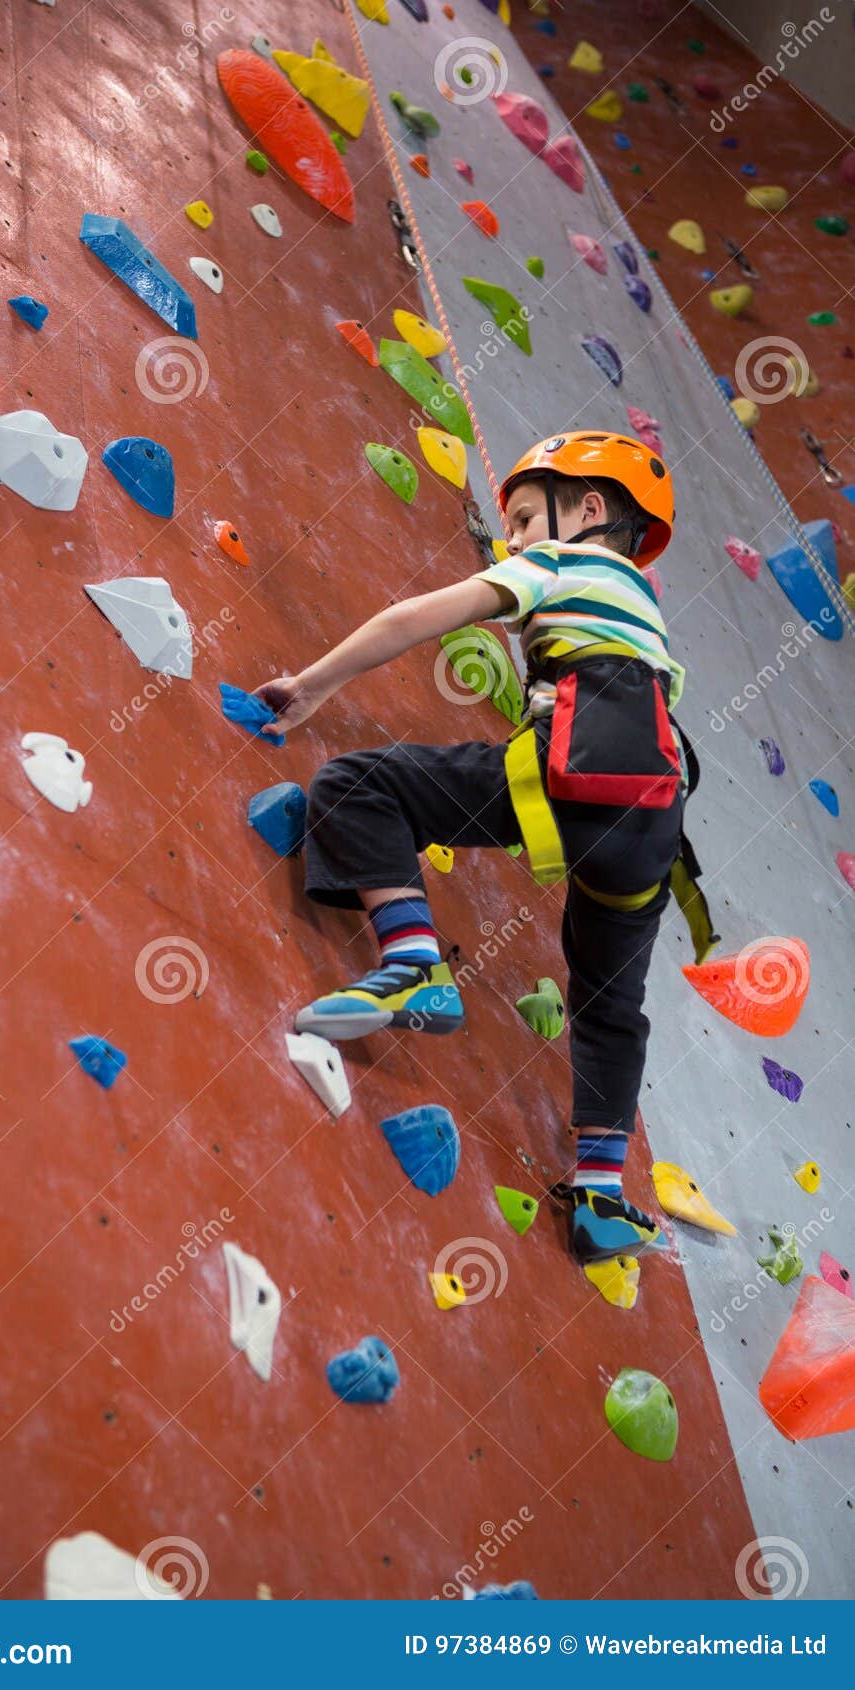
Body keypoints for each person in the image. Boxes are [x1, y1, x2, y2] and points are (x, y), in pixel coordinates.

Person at [252, 432, 715, 1265]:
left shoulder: (564, 564)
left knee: (360, 785)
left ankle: (413, 961)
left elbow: (416, 618)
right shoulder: (647, 616)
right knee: (610, 1003)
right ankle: (600, 1197)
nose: (514, 540)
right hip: (655, 823)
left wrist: (313, 682)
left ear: (588, 510)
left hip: (567, 775)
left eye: (527, 518)